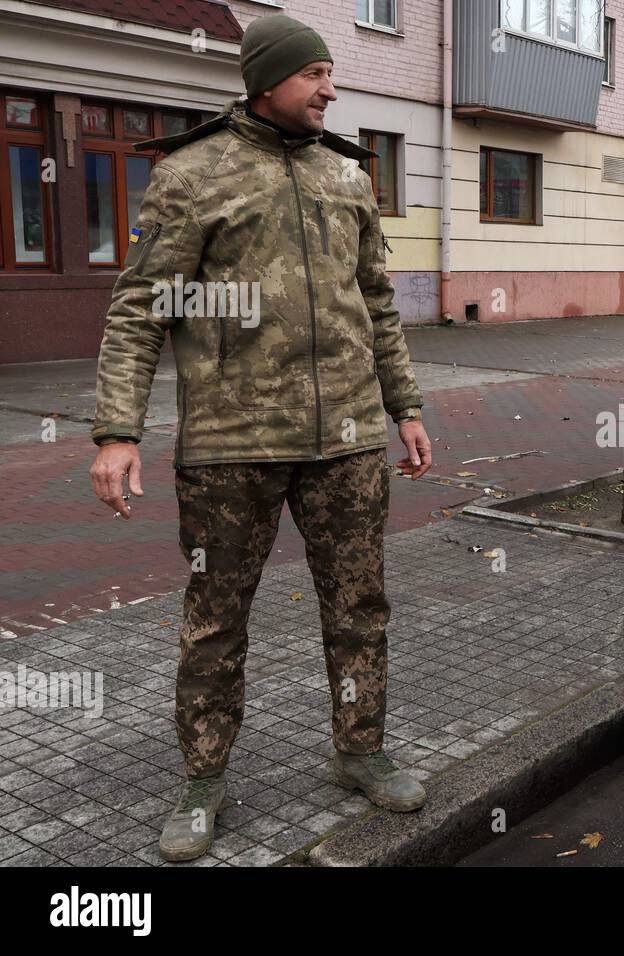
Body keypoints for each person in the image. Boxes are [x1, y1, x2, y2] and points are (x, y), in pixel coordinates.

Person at [88, 14, 432, 862]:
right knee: (216, 619)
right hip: (230, 447)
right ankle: (203, 780)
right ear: (266, 81)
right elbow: (140, 310)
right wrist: (116, 431)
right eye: (315, 74)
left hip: (348, 441)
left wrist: (406, 407)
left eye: (330, 75)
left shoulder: (348, 176)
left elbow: (378, 302)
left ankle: (361, 751)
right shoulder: (193, 176)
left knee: (359, 609)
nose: (331, 89)